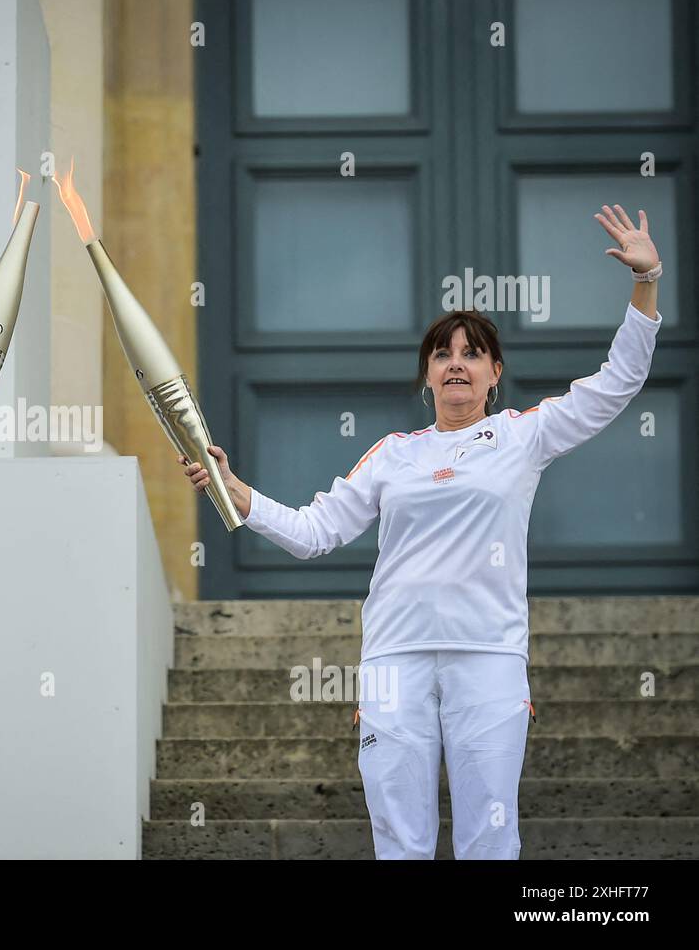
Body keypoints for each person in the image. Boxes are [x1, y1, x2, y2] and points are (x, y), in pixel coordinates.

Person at [180, 205, 662, 859]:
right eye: (442, 353)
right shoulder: (393, 453)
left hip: (488, 658)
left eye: (472, 353)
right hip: (393, 662)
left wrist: (647, 282)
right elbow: (315, 530)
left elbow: (618, 384)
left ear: (495, 374)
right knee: (399, 839)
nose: (456, 363)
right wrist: (240, 495)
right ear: (427, 374)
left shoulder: (524, 434)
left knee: (488, 839)